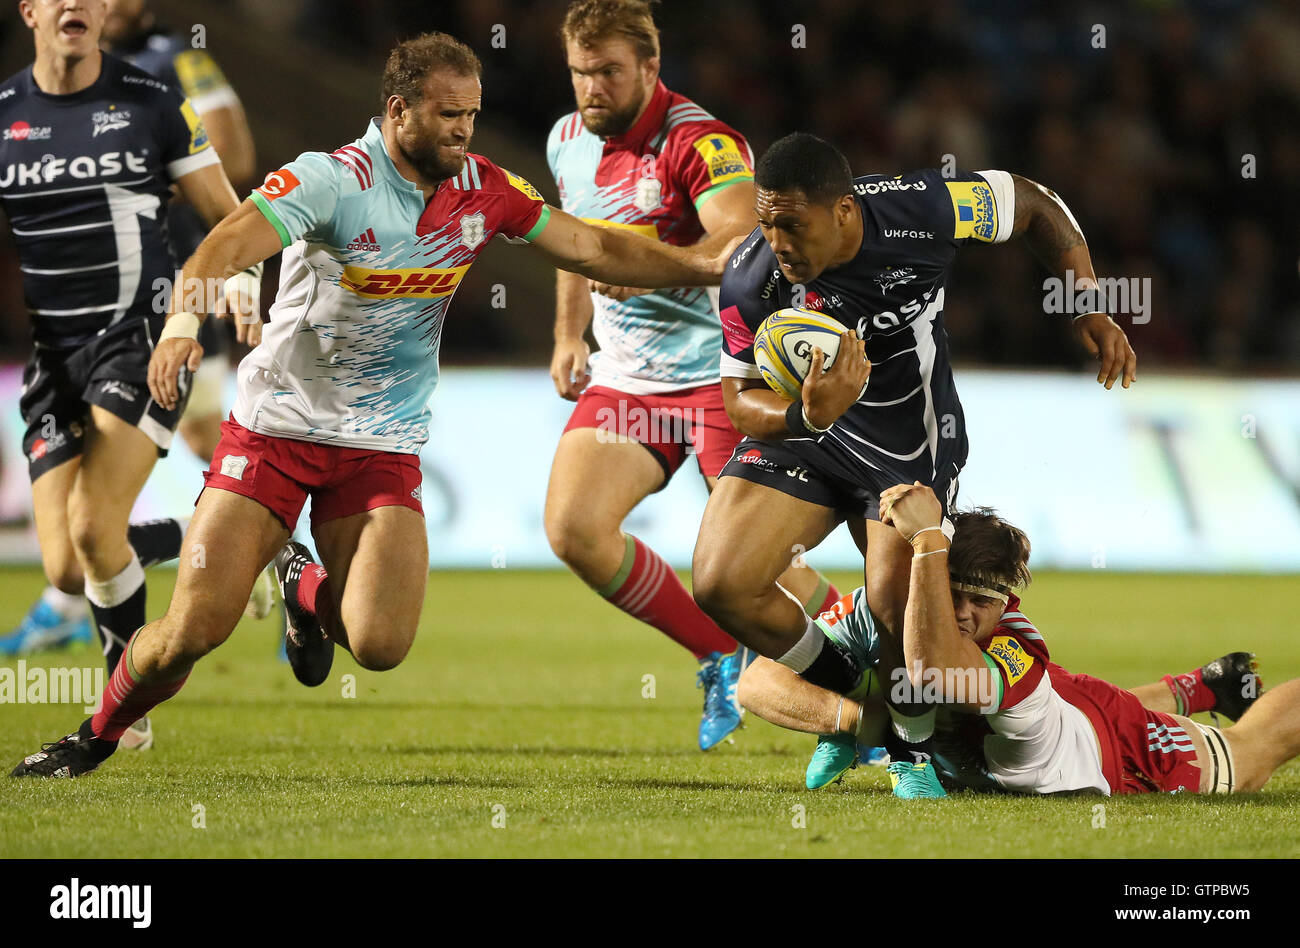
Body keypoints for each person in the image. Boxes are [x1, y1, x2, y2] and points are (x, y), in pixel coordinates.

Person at [11, 31, 740, 779]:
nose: (464, 129)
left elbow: (591, 247)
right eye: (448, 114)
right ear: (399, 111)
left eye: (473, 114)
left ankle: (297, 581)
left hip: (381, 446)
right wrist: (182, 326)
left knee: (382, 644)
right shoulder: (331, 180)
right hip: (275, 434)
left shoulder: (485, 189)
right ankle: (93, 737)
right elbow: (221, 247)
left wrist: (701, 264)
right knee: (194, 630)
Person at [689, 132, 1138, 796]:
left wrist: (1089, 305)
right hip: (808, 432)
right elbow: (736, 399)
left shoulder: (921, 212)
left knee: (899, 612)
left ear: (843, 211)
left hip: (908, 443)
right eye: (766, 222)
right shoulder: (752, 278)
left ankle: (911, 742)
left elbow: (1038, 206)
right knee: (721, 582)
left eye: (792, 223)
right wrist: (805, 416)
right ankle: (874, 718)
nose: (777, 241)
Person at [543, 0, 841, 750]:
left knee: (770, 569)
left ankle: (874, 684)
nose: (592, 89)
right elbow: (577, 243)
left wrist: (641, 266)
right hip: (629, 382)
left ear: (650, 66)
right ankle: (713, 653)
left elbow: (743, 241)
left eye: (609, 72)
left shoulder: (701, 143)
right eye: (581, 73)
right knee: (574, 528)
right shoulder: (566, 141)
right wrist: (566, 334)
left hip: (720, 376)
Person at [0, 0, 255, 748]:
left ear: (104, 12)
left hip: (139, 338)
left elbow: (226, 209)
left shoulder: (151, 102)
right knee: (71, 565)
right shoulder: (6, 113)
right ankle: (229, 536)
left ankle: (124, 716)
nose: (75, 3)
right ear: (31, 11)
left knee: (92, 525)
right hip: (53, 359)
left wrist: (238, 276)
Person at [738, 492, 1288, 798]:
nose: (960, 612)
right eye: (950, 593)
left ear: (1007, 605)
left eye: (980, 601)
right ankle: (1197, 686)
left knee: (1252, 756)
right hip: (1058, 702)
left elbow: (935, 675)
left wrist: (929, 539)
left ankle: (1207, 689)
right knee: (1065, 696)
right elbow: (757, 682)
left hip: (1108, 751)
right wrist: (858, 720)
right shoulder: (890, 606)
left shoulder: (1018, 648)